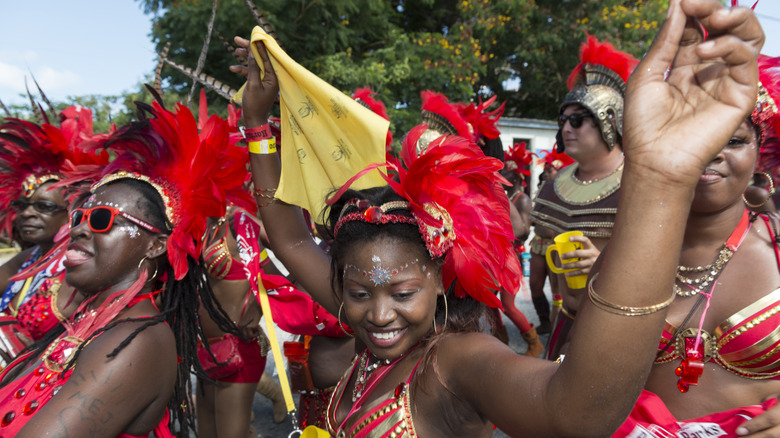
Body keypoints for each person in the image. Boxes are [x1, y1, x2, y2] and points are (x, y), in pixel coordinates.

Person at [232, 0, 764, 435]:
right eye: (358, 292)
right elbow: (290, 238)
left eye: (401, 292)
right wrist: (258, 120)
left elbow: (573, 413)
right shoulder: (365, 324)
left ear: (440, 279)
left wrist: (659, 181)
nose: (379, 314)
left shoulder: (455, 362)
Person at [0, 101, 248, 437]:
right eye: (78, 217)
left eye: (102, 219)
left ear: (156, 245)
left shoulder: (136, 342)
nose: (78, 230)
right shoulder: (90, 321)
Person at [612, 53, 780, 437]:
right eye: (692, 135)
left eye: (734, 140)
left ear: (758, 153)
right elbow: (577, 380)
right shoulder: (623, 256)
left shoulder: (778, 246)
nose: (711, 151)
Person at [529, 35, 637, 360]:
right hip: (566, 320)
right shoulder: (555, 183)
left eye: (578, 120)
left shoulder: (639, 184)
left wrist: (607, 265)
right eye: (563, 121)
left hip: (620, 329)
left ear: (609, 122)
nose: (566, 129)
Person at [197, 207, 286, 438]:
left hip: (239, 346)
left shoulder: (239, 221)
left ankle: (277, 398)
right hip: (205, 346)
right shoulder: (199, 220)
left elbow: (282, 269)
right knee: (206, 433)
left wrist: (257, 308)